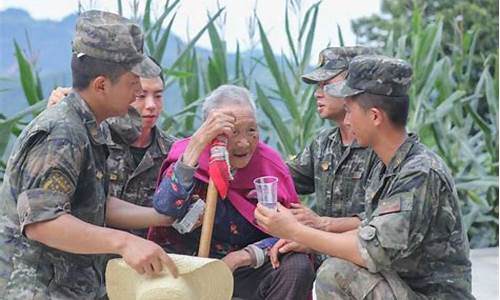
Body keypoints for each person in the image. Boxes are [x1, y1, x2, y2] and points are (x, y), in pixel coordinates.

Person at [255, 55, 473, 299]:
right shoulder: (387, 164)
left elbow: (370, 249)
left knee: (337, 273)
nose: (346, 121)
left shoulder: (420, 172)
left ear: (375, 117)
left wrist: (296, 230)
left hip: (430, 295)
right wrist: (313, 238)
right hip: (403, 287)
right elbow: (369, 230)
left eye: (349, 111)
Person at [0, 10, 178, 299]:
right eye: (133, 83)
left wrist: (164, 217)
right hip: (36, 289)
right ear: (101, 85)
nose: (137, 94)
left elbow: (93, 202)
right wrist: (123, 243)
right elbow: (43, 223)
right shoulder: (62, 133)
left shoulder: (88, 128)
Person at [149, 84, 315, 300]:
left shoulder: (268, 165)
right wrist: (197, 145)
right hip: (189, 266)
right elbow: (165, 208)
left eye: (251, 130)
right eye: (233, 132)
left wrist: (240, 258)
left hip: (245, 269)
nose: (244, 142)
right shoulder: (190, 155)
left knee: (296, 265)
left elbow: (292, 233)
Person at [47, 56, 176, 239]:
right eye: (140, 95)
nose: (151, 106)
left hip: (144, 261)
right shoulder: (89, 139)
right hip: (85, 257)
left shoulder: (174, 154)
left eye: (158, 96)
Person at [274, 47, 377, 267]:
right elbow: (283, 177)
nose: (317, 93)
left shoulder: (381, 146)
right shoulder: (323, 142)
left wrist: (321, 224)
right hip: (330, 259)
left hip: (368, 261)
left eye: (326, 85)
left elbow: (381, 225)